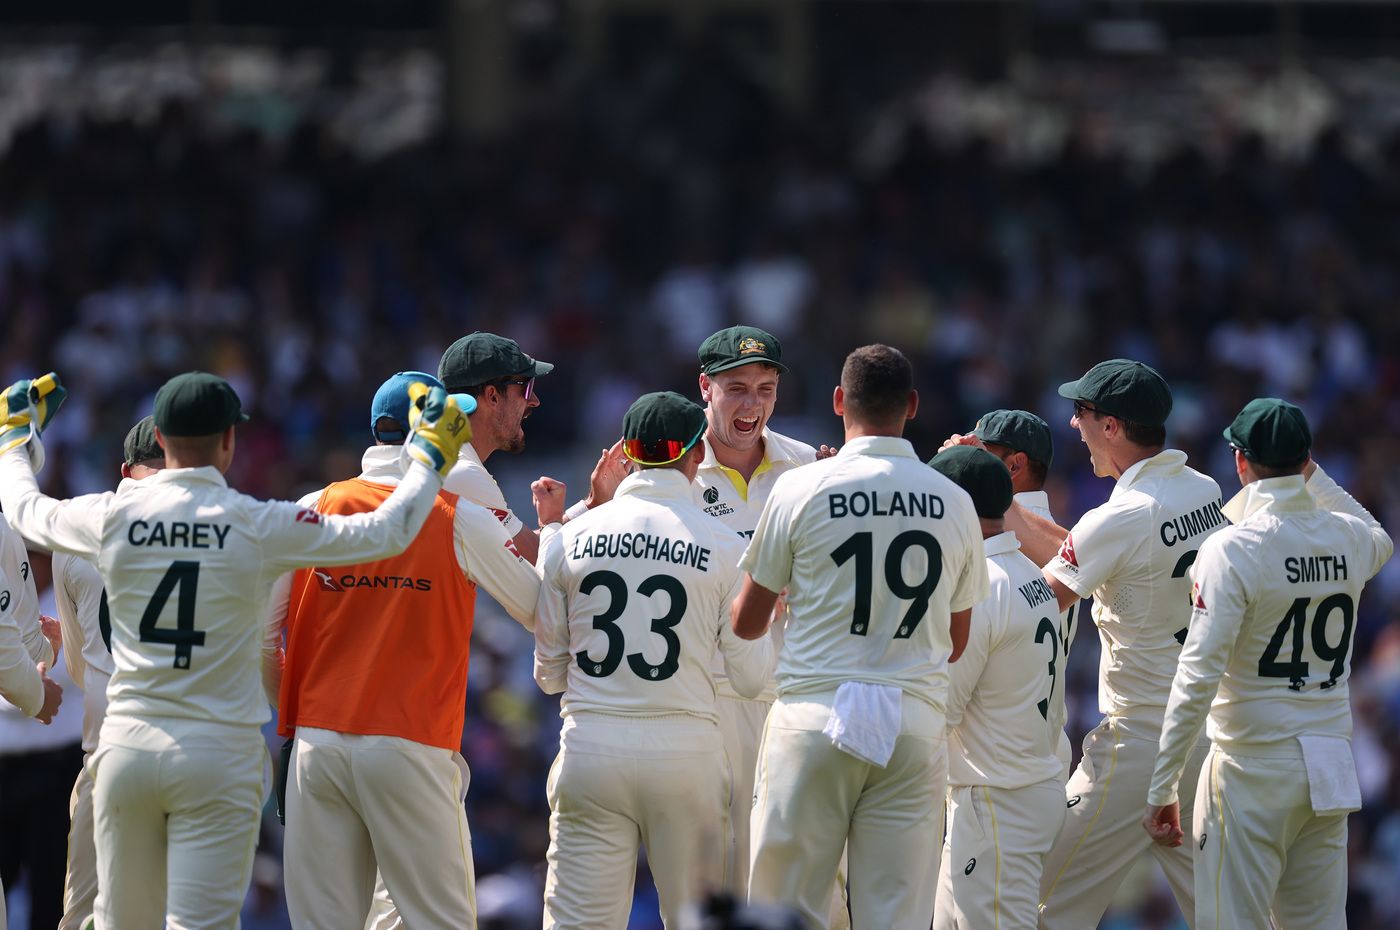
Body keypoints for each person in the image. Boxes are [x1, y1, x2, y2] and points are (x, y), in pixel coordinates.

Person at [0, 369, 470, 929]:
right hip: (216, 755)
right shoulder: (258, 521)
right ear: (227, 443)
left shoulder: (109, 515)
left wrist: (15, 437)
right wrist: (430, 454)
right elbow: (386, 531)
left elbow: (24, 507)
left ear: (162, 439)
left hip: (127, 749)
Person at [266, 371, 541, 930]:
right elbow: (541, 607)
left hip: (316, 744)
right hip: (411, 744)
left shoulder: (311, 506)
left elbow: (261, 638)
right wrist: (560, 526)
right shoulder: (457, 515)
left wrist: (295, 716)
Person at [733, 344, 988, 929]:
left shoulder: (799, 488)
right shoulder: (955, 502)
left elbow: (747, 623)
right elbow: (956, 642)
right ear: (913, 406)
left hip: (814, 716)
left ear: (838, 401)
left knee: (783, 913)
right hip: (911, 723)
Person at [1143, 398, 1393, 930]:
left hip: (1250, 768)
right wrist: (1311, 475)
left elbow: (1197, 676)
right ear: (1306, 461)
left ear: (1240, 461)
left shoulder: (1232, 549)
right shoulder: (1347, 537)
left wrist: (1163, 786)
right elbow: (1380, 537)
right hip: (1328, 766)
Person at [533, 391, 775, 930]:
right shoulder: (725, 546)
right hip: (687, 752)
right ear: (697, 454)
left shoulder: (569, 539)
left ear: (627, 453)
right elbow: (751, 677)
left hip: (591, 747)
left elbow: (548, 675)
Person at [1003, 359, 1225, 929]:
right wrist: (1002, 501)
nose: (1073, 424)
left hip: (1139, 747)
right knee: (1225, 914)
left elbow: (1040, 600)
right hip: (1205, 738)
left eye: (1081, 412)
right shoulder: (1203, 489)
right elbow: (1091, 552)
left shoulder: (1120, 517)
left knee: (1032, 904)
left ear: (1111, 426)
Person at [688, 325, 839, 909]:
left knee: (806, 883)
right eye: (737, 388)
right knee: (716, 884)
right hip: (706, 700)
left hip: (793, 698)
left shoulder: (806, 468)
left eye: (766, 389)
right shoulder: (673, 467)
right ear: (705, 387)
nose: (752, 405)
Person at [927, 447, 1066, 930]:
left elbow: (940, 710)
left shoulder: (980, 588)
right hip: (1010, 793)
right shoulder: (1028, 572)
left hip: (998, 802)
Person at [49, 415, 165, 930]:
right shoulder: (215, 527)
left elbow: (79, 666)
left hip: (110, 751)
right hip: (190, 753)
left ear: (124, 470)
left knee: (86, 916)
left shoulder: (75, 534)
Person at [940, 409, 1076, 777]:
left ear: (1014, 465)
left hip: (994, 757)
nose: (966, 460)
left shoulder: (1002, 541)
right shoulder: (1058, 538)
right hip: (1044, 743)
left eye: (978, 453)